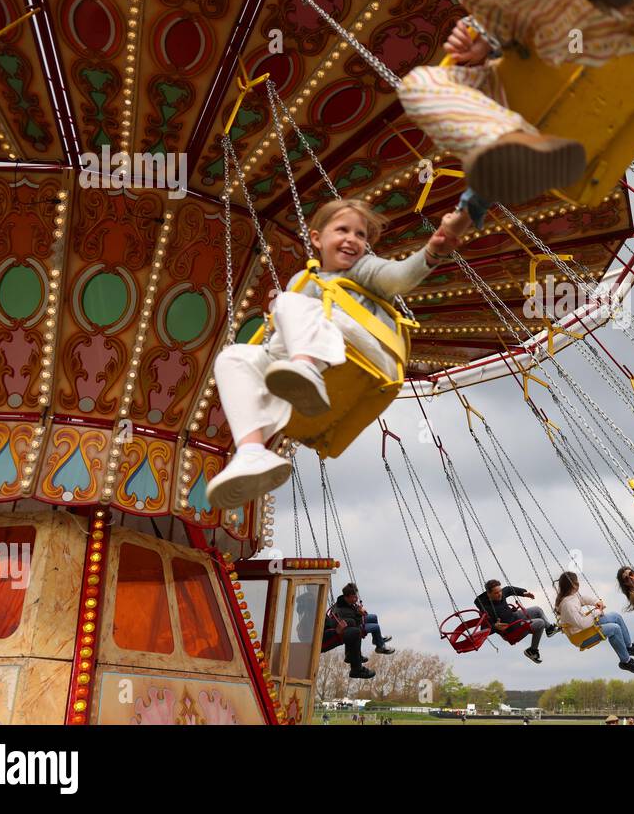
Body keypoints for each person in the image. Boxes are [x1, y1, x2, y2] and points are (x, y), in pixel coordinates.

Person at [398, 0, 634, 234]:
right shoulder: (509, 154)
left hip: (565, 45)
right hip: (535, 95)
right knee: (417, 85)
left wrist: (483, 41)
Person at [208, 198, 462, 508]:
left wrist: (434, 249)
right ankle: (251, 452)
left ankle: (305, 370)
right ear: (317, 238)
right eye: (343, 230)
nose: (353, 240)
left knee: (292, 303)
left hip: (363, 346)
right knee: (233, 357)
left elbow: (399, 278)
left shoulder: (364, 270)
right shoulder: (301, 282)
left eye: (361, 235)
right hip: (317, 348)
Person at [555, 571, 634, 673]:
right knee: (614, 628)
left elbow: (582, 599)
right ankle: (626, 661)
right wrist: (597, 612)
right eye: (576, 582)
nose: (578, 583)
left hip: (587, 627)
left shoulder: (571, 596)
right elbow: (582, 624)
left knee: (616, 617)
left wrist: (595, 602)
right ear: (573, 585)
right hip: (582, 636)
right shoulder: (568, 605)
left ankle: (629, 647)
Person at [321, 582, 395, 679]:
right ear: (347, 597)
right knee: (375, 627)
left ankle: (378, 640)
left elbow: (355, 617)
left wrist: (359, 611)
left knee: (373, 617)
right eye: (353, 597)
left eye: (356, 596)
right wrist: (360, 613)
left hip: (354, 622)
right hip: (351, 627)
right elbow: (355, 623)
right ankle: (380, 647)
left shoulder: (347, 602)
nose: (356, 599)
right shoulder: (342, 610)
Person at [473, 579, 558, 664]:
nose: (500, 594)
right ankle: (532, 650)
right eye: (496, 593)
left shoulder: (501, 594)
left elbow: (509, 589)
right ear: (488, 594)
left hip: (515, 617)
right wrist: (495, 626)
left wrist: (523, 593)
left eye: (500, 591)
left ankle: (550, 629)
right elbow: (484, 628)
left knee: (537, 610)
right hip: (512, 629)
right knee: (540, 623)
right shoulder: (485, 607)